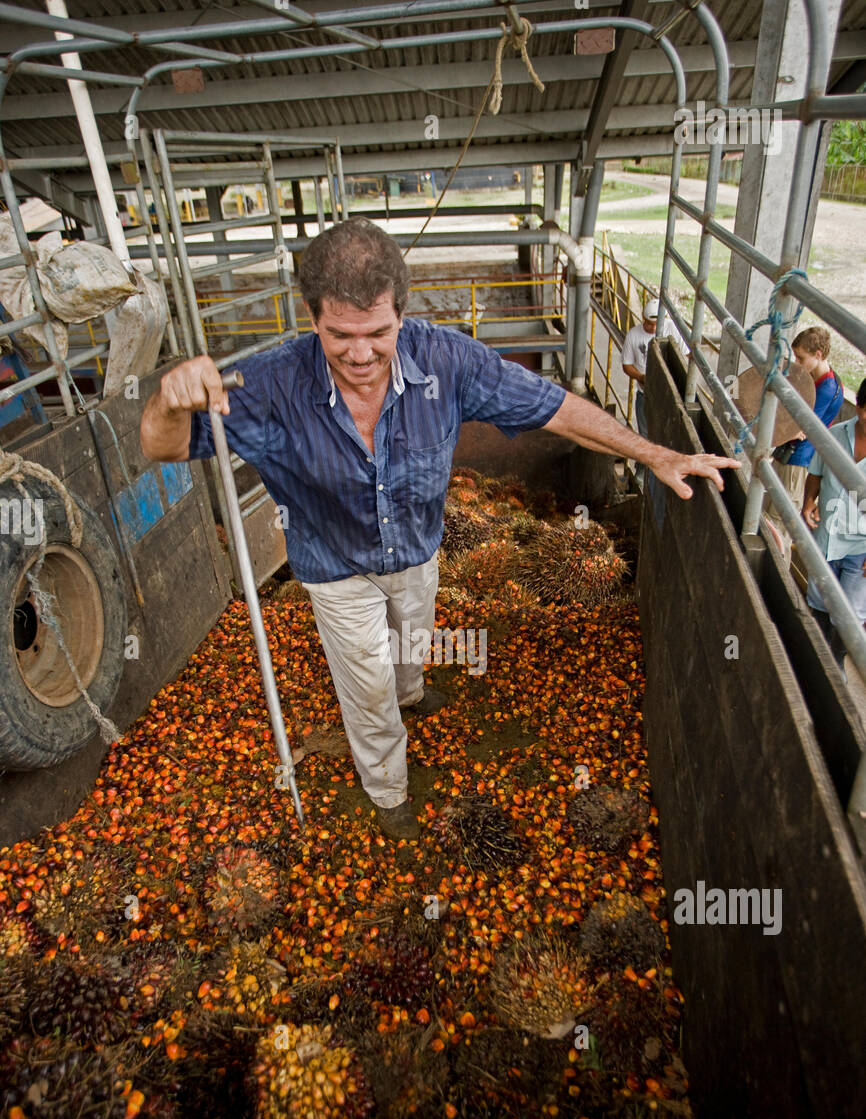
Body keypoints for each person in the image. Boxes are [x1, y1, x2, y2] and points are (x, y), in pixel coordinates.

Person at [140, 218, 738, 843]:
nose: (362, 353)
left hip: (417, 550)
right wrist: (168, 400)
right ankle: (388, 788)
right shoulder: (269, 386)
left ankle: (413, 691)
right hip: (333, 566)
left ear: (401, 312)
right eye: (340, 335)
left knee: (412, 641)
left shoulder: (447, 361)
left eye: (378, 332)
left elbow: (554, 407)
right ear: (311, 317)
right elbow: (164, 445)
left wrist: (653, 455)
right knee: (366, 685)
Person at [802, 376, 866, 677]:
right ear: (860, 407)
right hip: (827, 534)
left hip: (861, 548)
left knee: (850, 612)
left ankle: (836, 664)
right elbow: (815, 472)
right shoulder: (836, 435)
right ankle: (816, 663)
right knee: (819, 600)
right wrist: (808, 502)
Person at [765, 325, 844, 564]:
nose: (797, 363)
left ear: (818, 354)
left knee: (780, 525)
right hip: (788, 455)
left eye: (801, 358)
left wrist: (776, 428)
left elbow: (800, 429)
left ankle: (775, 576)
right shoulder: (815, 379)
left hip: (797, 460)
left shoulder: (827, 387)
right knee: (771, 517)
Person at [620, 296, 688, 439]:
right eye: (650, 324)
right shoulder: (633, 335)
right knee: (645, 437)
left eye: (657, 324)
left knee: (668, 437)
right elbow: (626, 365)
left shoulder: (672, 328)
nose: (653, 328)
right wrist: (640, 377)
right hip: (645, 395)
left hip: (669, 396)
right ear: (643, 319)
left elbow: (686, 355)